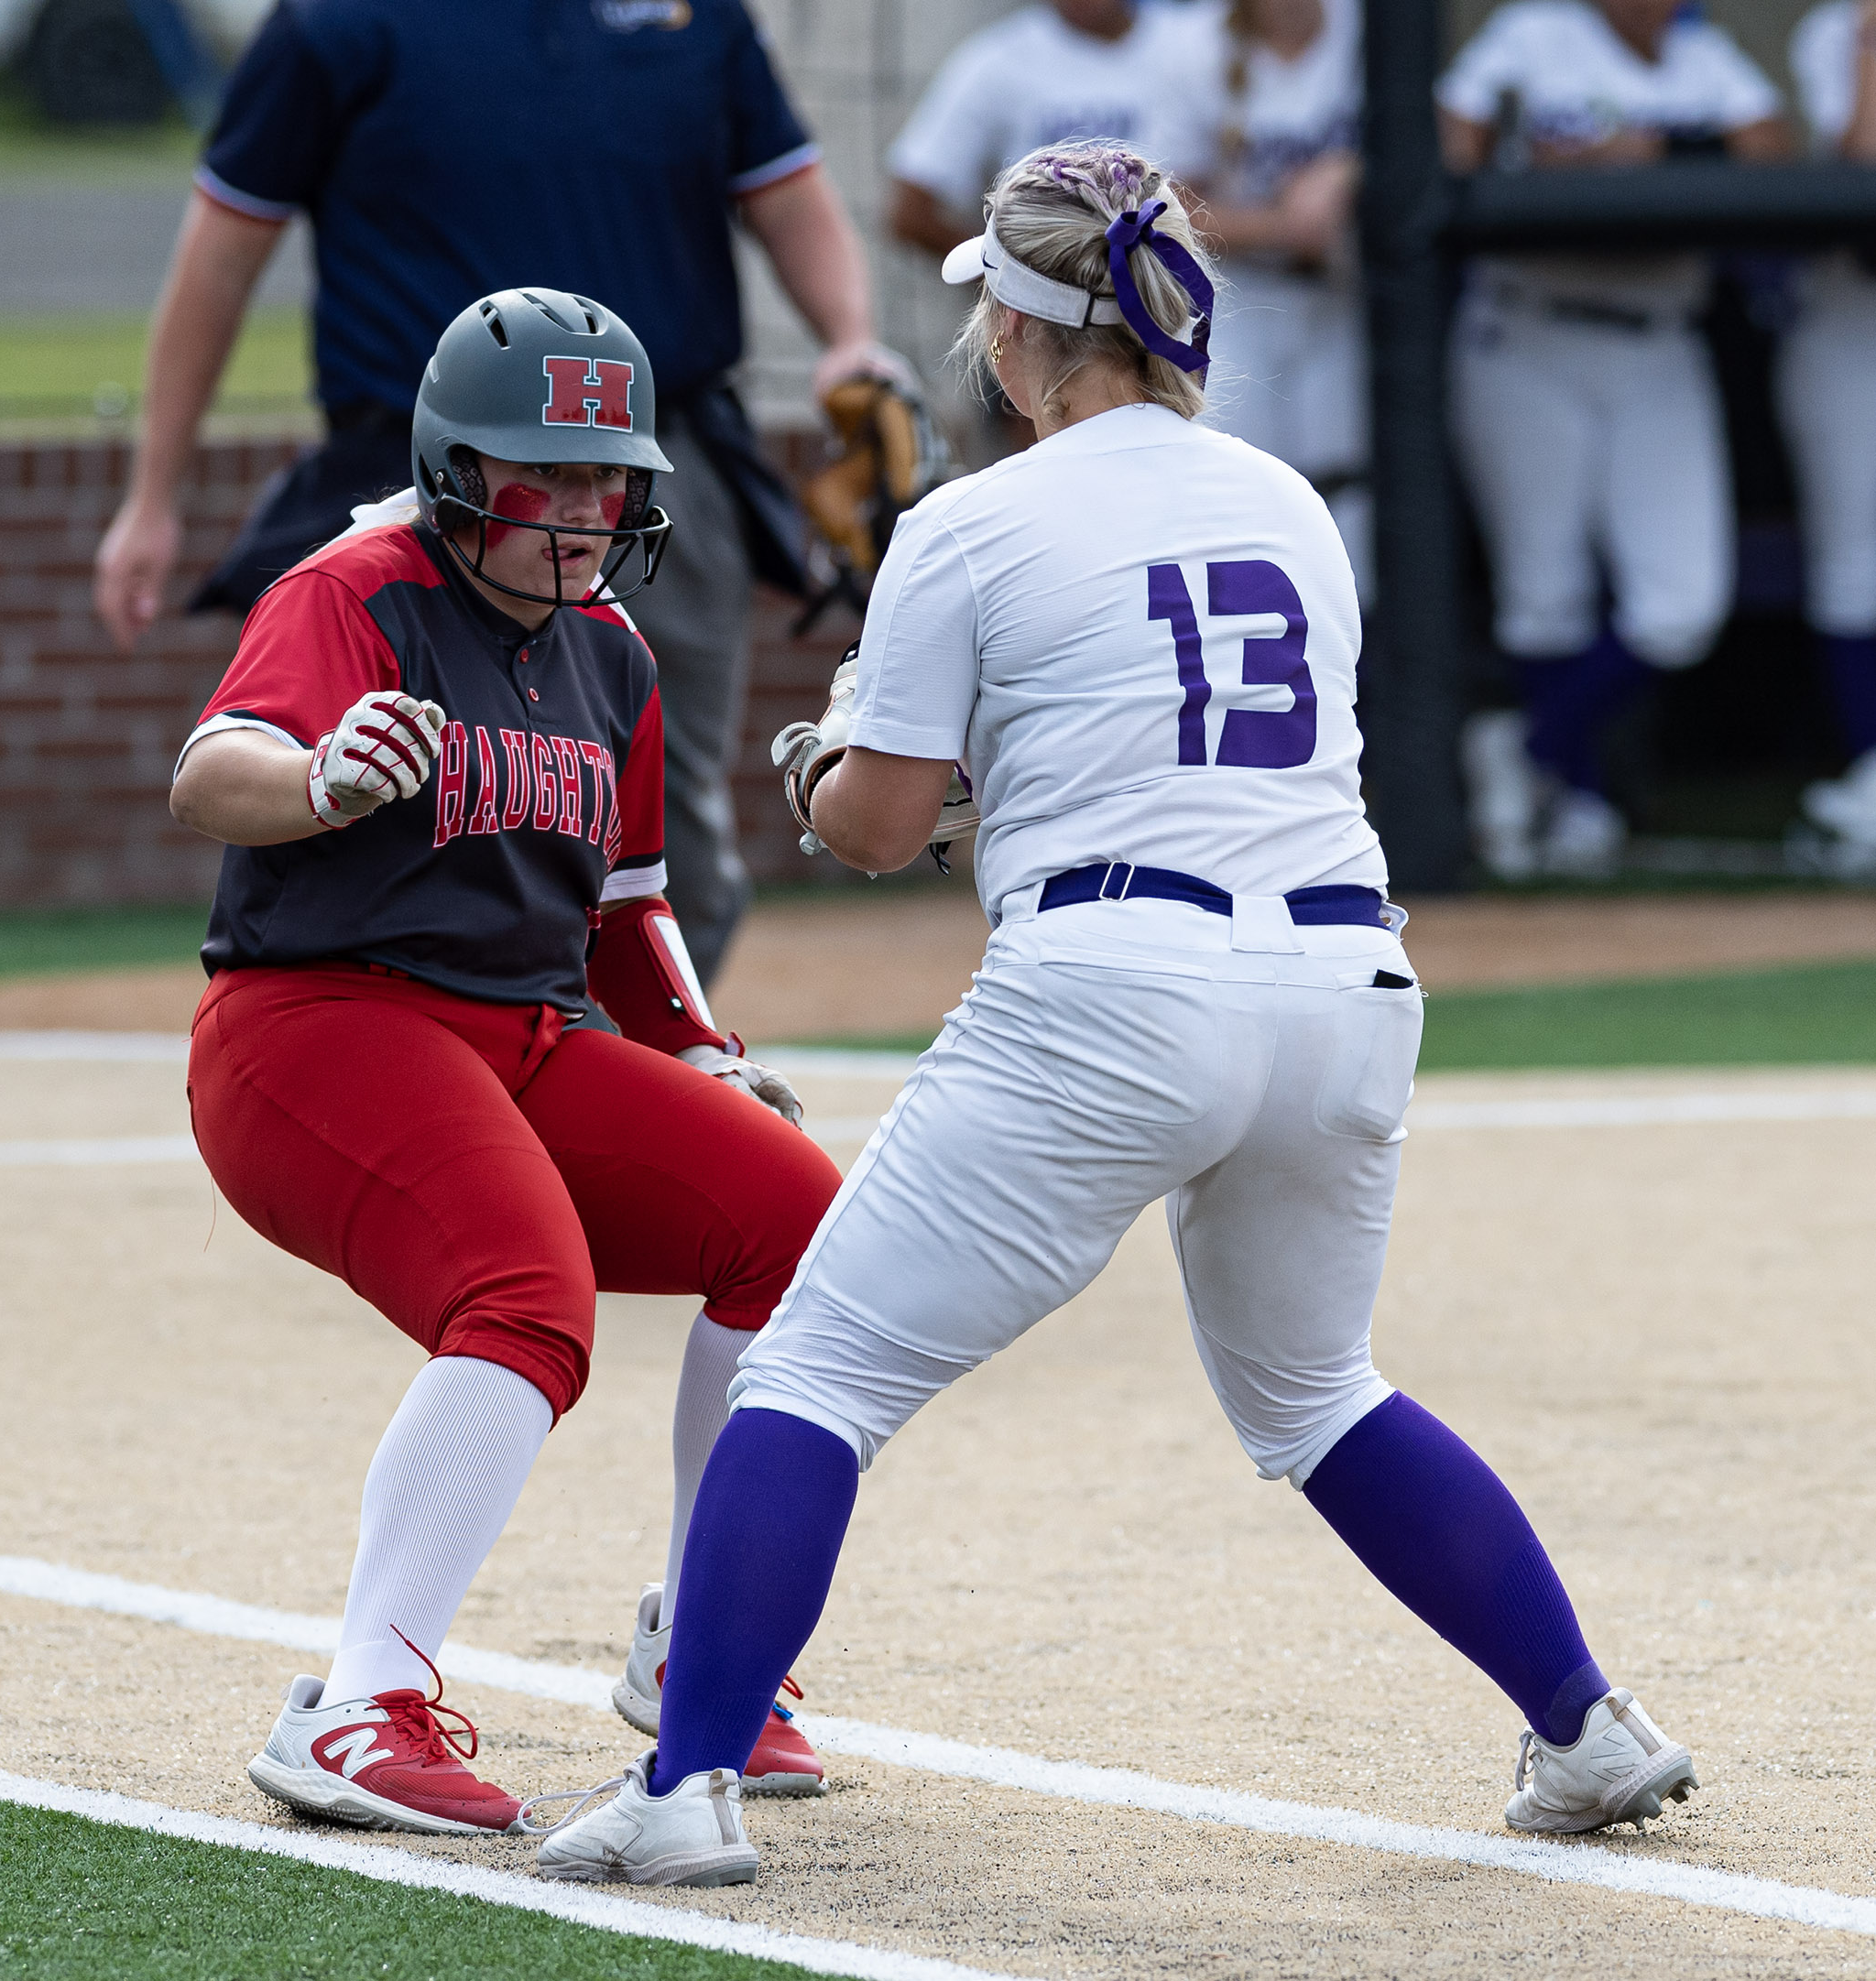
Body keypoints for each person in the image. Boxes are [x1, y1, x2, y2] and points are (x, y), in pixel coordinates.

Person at [526, 144, 1698, 1887]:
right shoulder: (1287, 499)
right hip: (1342, 984)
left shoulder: (972, 521)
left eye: (993, 310)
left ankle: (687, 1783)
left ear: (1024, 332)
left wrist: (838, 737)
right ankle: (1587, 1722)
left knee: (812, 1369)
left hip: (1113, 989)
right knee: (1318, 1395)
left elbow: (864, 826)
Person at [172, 288, 842, 1834]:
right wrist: (321, 776)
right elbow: (210, 773)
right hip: (317, 1016)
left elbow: (628, 902)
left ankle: (707, 1657)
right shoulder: (358, 587)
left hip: (526, 1027)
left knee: (803, 1220)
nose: (586, 511)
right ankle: (359, 1704)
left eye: (610, 480)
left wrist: (698, 1047)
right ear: (461, 470)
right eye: (550, 476)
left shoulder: (610, 651)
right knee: (523, 1290)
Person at [97, 0, 898, 988]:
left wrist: (850, 338)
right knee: (390, 800)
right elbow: (223, 249)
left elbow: (787, 192)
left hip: (650, 466)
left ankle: (627, 1071)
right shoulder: (333, 21)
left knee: (661, 837)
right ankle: (418, 1065)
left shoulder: (699, 16)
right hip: (429, 475)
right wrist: (152, 493)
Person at [1437, 0, 1792, 880]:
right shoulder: (1532, 36)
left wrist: (1654, 155)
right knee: (1543, 592)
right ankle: (1577, 804)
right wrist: (1551, 163)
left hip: (1660, 333)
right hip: (1529, 330)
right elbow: (1449, 153)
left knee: (1681, 605)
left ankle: (1526, 746)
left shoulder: (1702, 55)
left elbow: (1774, 159)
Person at [1167, 0, 1369, 602]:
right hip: (1236, 298)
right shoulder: (1190, 44)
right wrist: (1283, 226)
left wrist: (1344, 170)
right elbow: (1163, 199)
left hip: (1342, 296)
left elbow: (1449, 139)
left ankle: (1354, 684)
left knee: (1350, 519)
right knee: (1236, 510)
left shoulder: (1362, 27)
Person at [886, 0, 1205, 262]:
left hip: (1186, 298)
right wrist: (1017, 272)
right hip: (1056, 316)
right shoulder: (998, 60)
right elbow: (910, 211)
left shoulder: (1194, 45)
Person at [1782, 0, 1876, 873]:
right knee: (1856, 563)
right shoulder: (1837, 31)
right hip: (1853, 327)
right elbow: (1861, 160)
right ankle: (1867, 782)